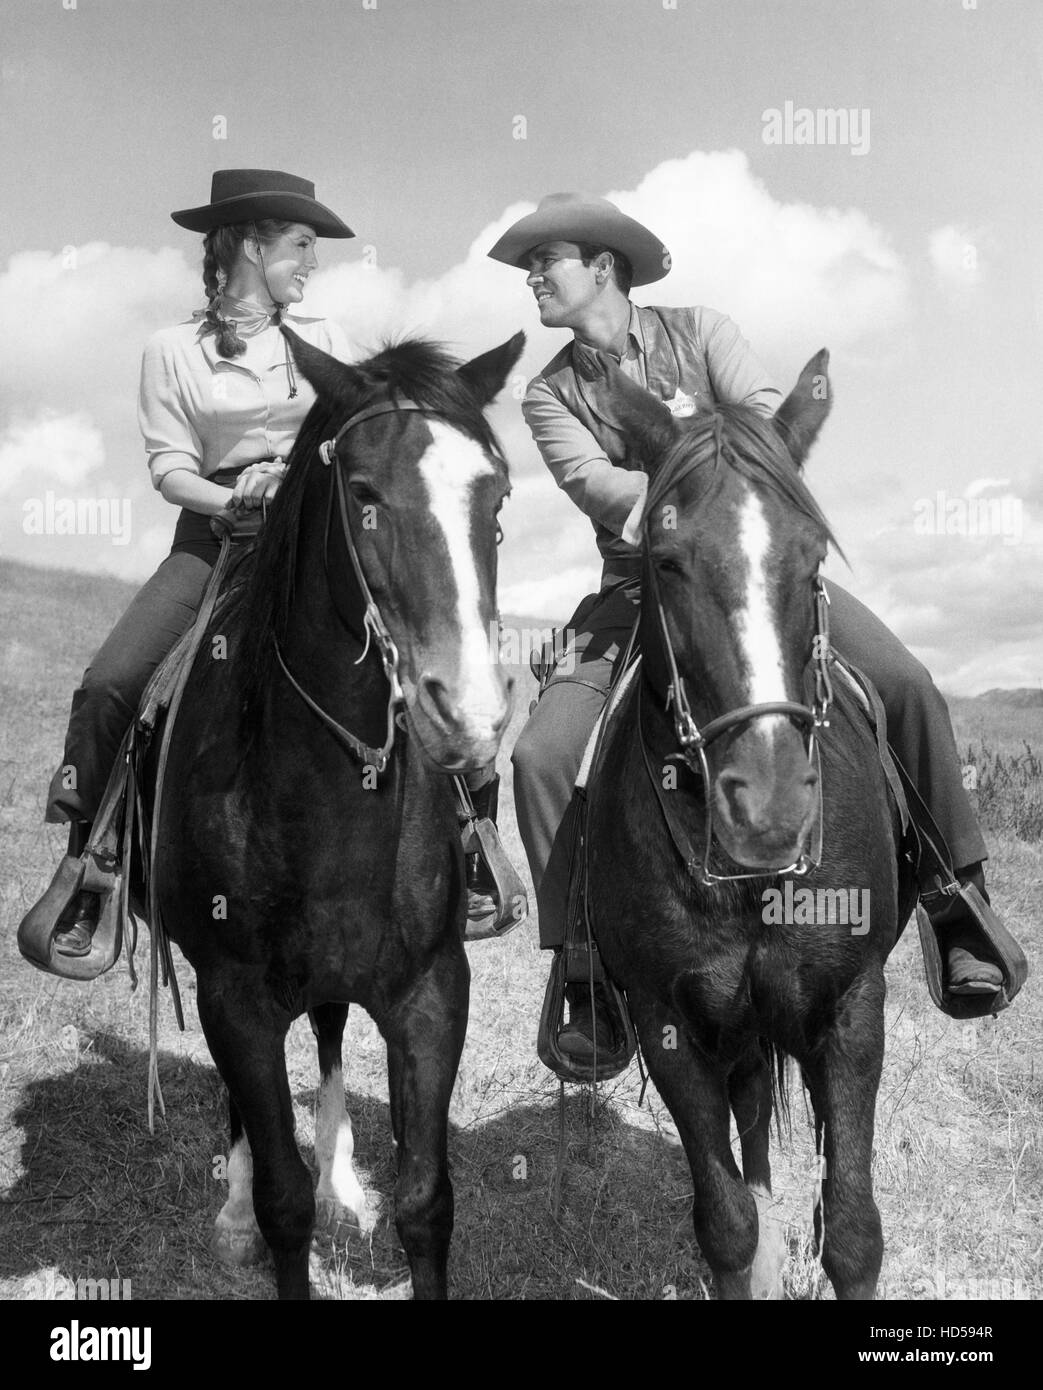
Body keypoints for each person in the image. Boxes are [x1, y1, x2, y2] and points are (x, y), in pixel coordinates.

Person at [487, 192, 1006, 1057]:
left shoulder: (704, 330)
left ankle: (958, 904)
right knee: (541, 754)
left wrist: (724, 497)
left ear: (602, 268)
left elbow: (769, 428)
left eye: (547, 260)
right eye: (528, 266)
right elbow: (596, 488)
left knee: (909, 685)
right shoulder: (549, 393)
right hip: (639, 581)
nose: (532, 277)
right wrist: (700, 488)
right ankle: (582, 963)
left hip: (757, 567)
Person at [20, 168, 502, 977]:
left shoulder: (329, 340)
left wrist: (301, 481)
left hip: (316, 540)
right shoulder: (169, 350)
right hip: (213, 542)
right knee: (113, 680)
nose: (312, 262)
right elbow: (170, 467)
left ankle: (472, 844)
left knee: (436, 655)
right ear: (248, 244)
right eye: (301, 244)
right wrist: (230, 501)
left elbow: (368, 438)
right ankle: (90, 866)